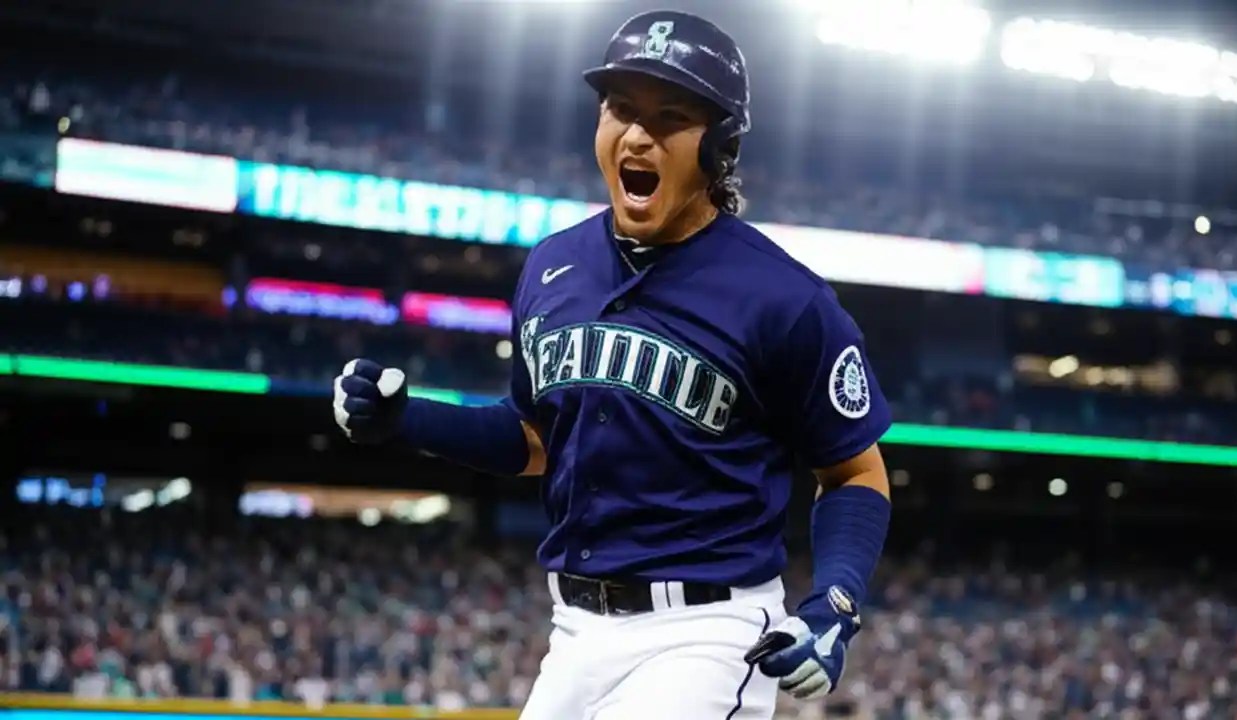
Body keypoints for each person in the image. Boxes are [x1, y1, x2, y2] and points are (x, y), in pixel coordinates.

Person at [333, 10, 892, 718]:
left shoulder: (786, 298)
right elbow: (536, 439)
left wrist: (833, 603)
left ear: (719, 145)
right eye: (620, 109)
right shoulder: (552, 266)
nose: (636, 134)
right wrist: (405, 419)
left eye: (670, 118)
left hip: (707, 633)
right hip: (575, 631)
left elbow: (853, 470)